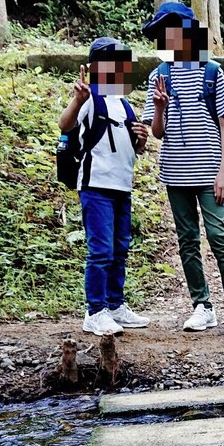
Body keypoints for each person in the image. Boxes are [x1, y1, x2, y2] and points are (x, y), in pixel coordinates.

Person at [142, 1, 224, 337]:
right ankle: (202, 306)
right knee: (187, 241)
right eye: (165, 35)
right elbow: (157, 132)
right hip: (175, 173)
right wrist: (159, 108)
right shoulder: (158, 76)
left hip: (209, 172)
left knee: (219, 237)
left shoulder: (211, 71)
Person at [58, 37, 150, 336]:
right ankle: (95, 311)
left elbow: (136, 149)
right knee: (100, 251)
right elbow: (64, 125)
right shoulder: (90, 98)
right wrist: (77, 100)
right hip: (95, 185)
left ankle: (115, 304)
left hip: (122, 186)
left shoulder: (123, 103)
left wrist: (141, 140)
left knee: (120, 249)